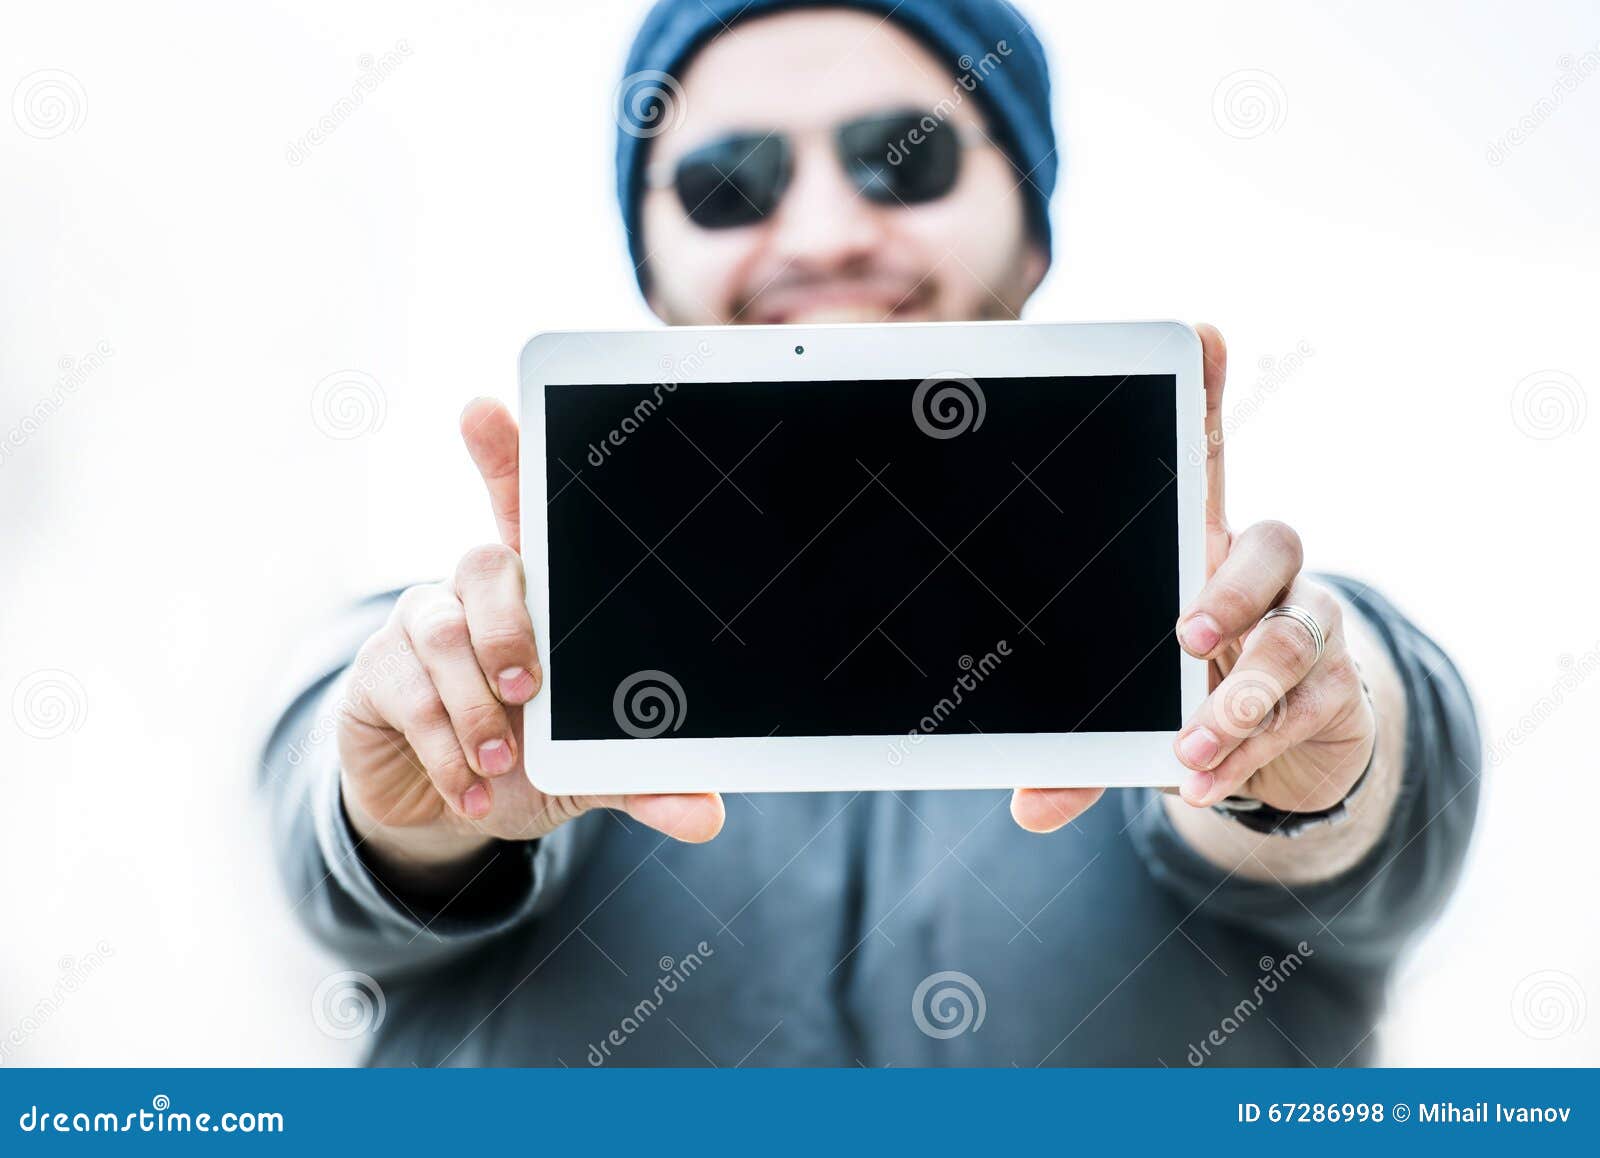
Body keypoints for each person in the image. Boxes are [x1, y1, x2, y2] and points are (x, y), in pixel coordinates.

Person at [263, 0, 1480, 1067]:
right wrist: (421, 799)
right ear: (649, 258)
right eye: (727, 180)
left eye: (906, 158)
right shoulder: (496, 642)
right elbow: (335, 802)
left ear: (1033, 219)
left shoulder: (1198, 629)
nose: (825, 231)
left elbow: (1382, 757)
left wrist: (1307, 729)